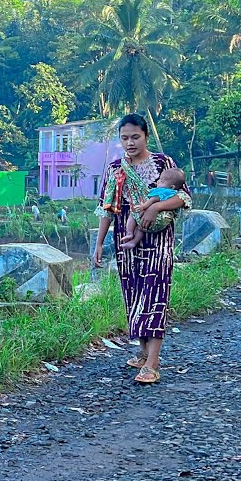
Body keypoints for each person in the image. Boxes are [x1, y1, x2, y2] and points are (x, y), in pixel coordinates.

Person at [93, 114, 190, 386]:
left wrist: (156, 207)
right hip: (126, 240)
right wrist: (99, 244)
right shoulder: (115, 169)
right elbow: (106, 208)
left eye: (135, 137)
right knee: (133, 293)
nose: (130, 142)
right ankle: (143, 351)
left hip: (158, 240)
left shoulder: (163, 163)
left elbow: (184, 197)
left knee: (154, 291)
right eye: (125, 138)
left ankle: (153, 362)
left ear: (146, 136)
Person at [118, 167, 188, 251]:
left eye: (161, 181)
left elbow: (154, 199)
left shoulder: (162, 191)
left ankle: (129, 233)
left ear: (172, 186)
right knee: (141, 228)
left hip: (154, 219)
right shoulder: (173, 193)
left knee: (133, 214)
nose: (157, 182)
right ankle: (134, 241)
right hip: (160, 222)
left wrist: (144, 207)